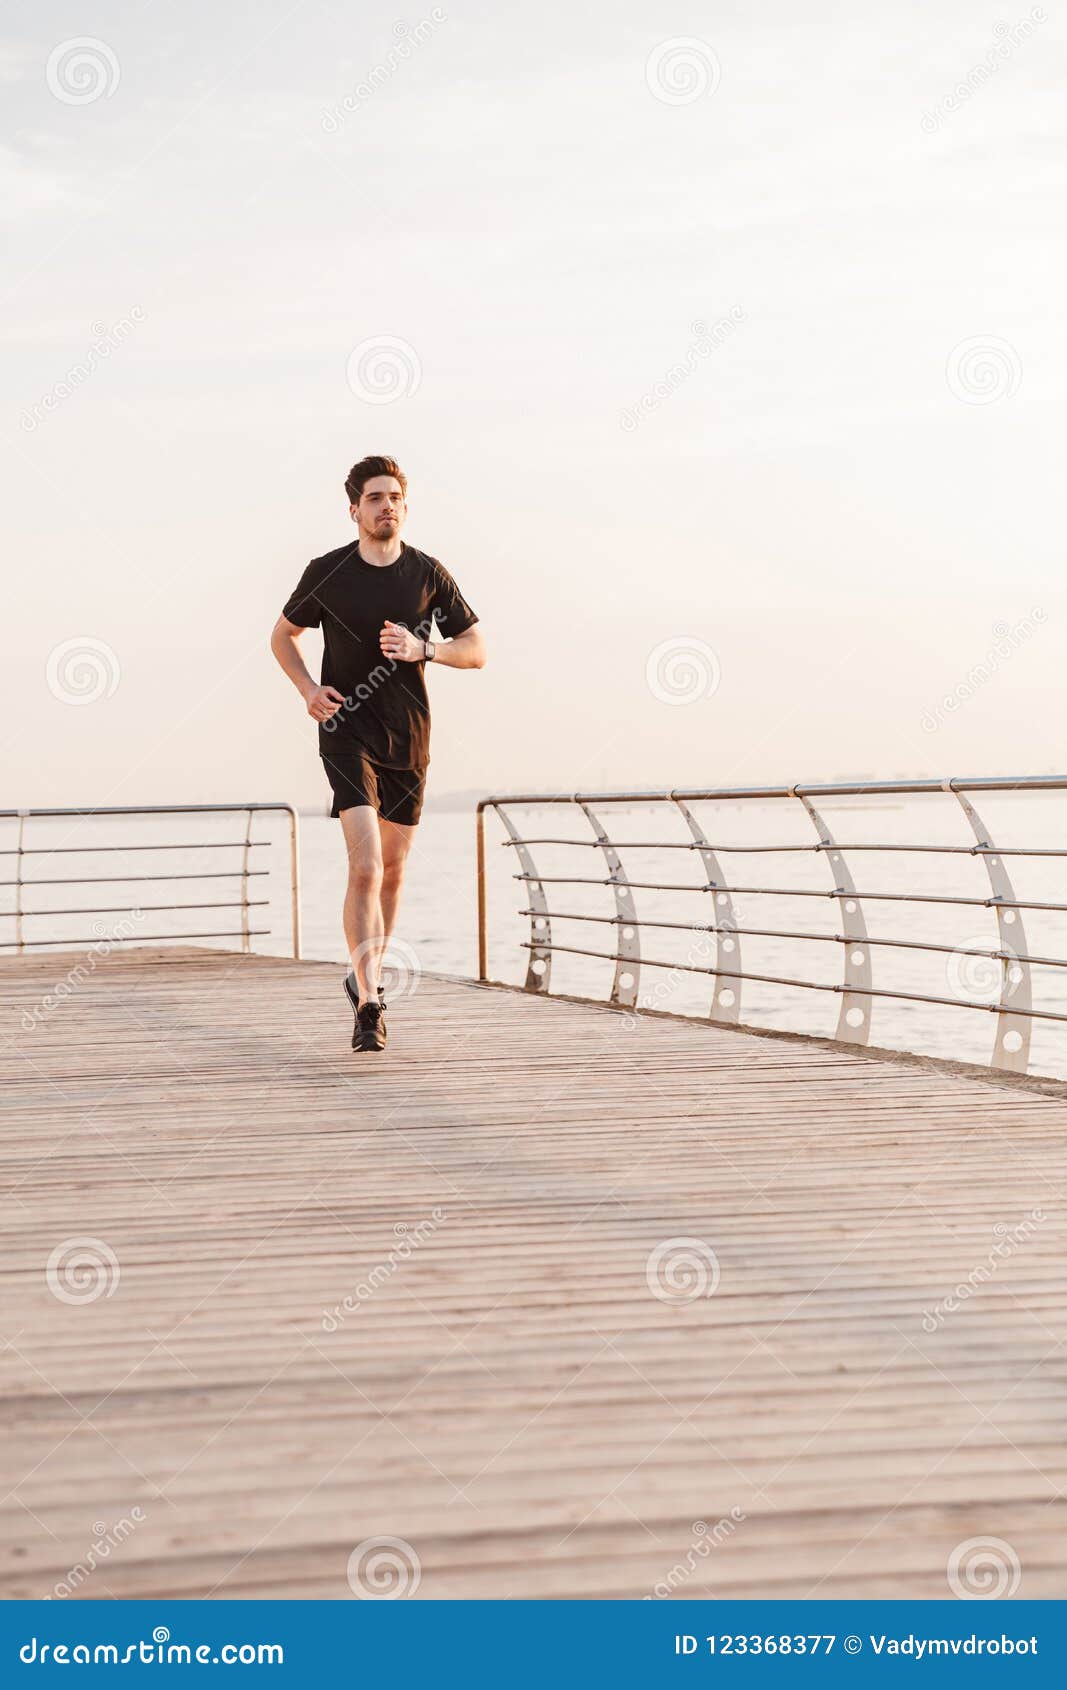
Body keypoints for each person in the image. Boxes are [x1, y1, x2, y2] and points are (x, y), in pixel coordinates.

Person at [270, 455, 486, 1052]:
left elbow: (477, 648)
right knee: (364, 866)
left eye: (394, 496)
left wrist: (426, 649)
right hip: (345, 731)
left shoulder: (427, 574)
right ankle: (370, 1002)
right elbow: (281, 636)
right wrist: (309, 691)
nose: (385, 505)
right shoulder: (328, 572)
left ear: (404, 506)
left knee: (392, 872)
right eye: (374, 498)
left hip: (408, 735)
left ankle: (365, 972)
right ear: (355, 510)